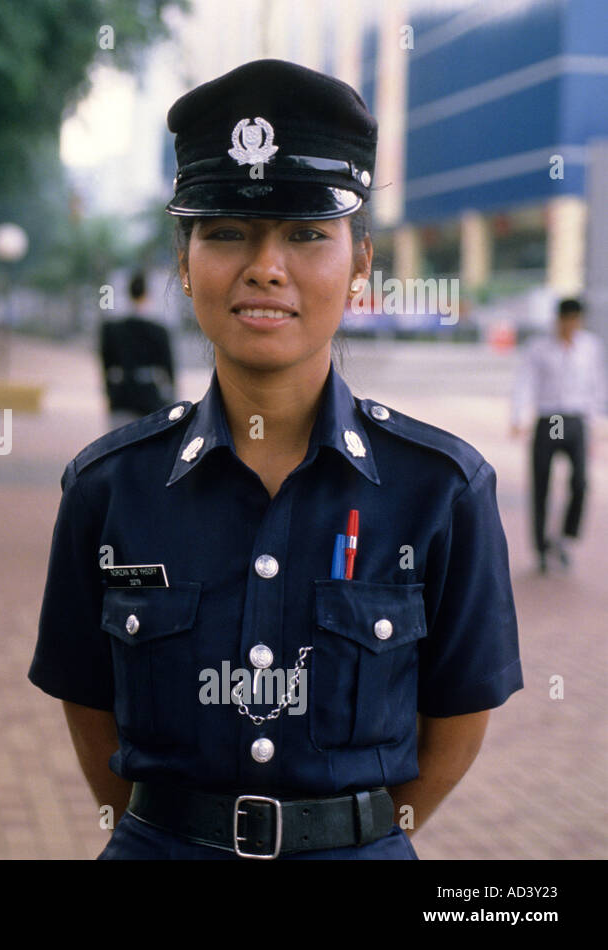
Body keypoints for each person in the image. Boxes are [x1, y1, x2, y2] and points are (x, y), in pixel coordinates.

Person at [29, 59, 522, 859]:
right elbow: (88, 703)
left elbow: (460, 711)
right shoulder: (108, 486)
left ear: (361, 265)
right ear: (184, 265)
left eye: (306, 234)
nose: (266, 266)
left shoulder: (440, 488)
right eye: (225, 232)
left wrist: (349, 836)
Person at [510, 297, 604, 573]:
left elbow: (597, 385)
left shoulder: (590, 347)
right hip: (549, 418)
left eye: (575, 320)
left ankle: (564, 536)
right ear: (558, 320)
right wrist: (518, 415)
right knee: (541, 484)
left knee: (581, 482)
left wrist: (597, 420)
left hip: (575, 419)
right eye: (566, 320)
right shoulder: (539, 348)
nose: (570, 325)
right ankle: (541, 547)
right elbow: (525, 381)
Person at [99, 271, 176, 429]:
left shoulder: (111, 330)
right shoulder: (159, 330)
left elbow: (106, 366)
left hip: (121, 397)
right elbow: (169, 370)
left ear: (128, 292)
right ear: (147, 294)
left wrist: (110, 393)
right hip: (150, 398)